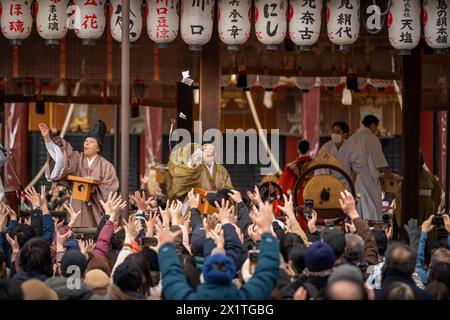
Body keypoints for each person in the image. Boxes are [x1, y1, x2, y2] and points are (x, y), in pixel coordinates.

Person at [39, 121, 119, 228]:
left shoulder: (107, 166)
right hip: (76, 207)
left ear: (98, 148)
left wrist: (94, 190)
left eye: (91, 141)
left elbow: (110, 192)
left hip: (94, 211)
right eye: (86, 141)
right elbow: (61, 158)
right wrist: (47, 139)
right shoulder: (77, 159)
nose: (86, 143)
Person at [348, 115, 391, 221]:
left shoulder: (352, 137)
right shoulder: (372, 138)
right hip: (369, 177)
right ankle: (372, 231)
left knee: (358, 205)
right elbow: (379, 161)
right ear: (373, 125)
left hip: (355, 177)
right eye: (376, 127)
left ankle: (358, 229)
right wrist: (387, 173)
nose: (376, 130)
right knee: (372, 205)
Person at [166, 143, 233, 201]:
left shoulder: (222, 170)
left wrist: (221, 194)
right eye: (205, 149)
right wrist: (195, 159)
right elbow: (184, 179)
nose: (208, 151)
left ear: (215, 154)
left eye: (211, 149)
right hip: (198, 202)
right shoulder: (195, 168)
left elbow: (229, 188)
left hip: (218, 203)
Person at [418, 152, 441, 225]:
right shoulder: (430, 176)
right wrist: (434, 207)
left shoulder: (408, 176)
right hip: (429, 207)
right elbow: (437, 195)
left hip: (416, 207)